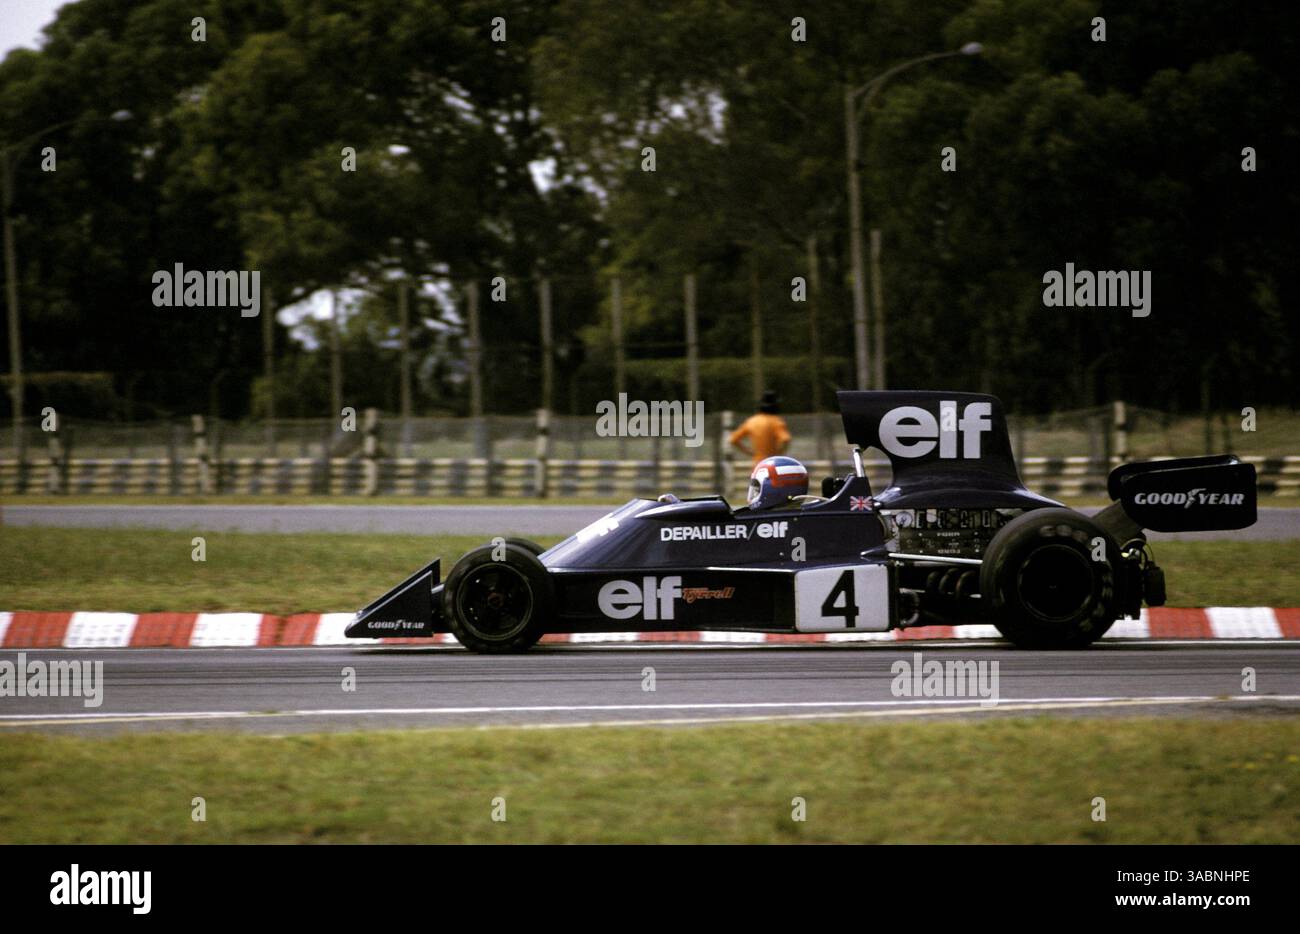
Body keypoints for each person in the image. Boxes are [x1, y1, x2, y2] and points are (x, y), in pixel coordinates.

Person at [729, 390, 792, 466]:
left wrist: (749, 452)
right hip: (773, 465)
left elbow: (733, 439)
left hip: (758, 465)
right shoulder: (776, 421)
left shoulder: (751, 421)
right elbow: (785, 439)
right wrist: (779, 454)